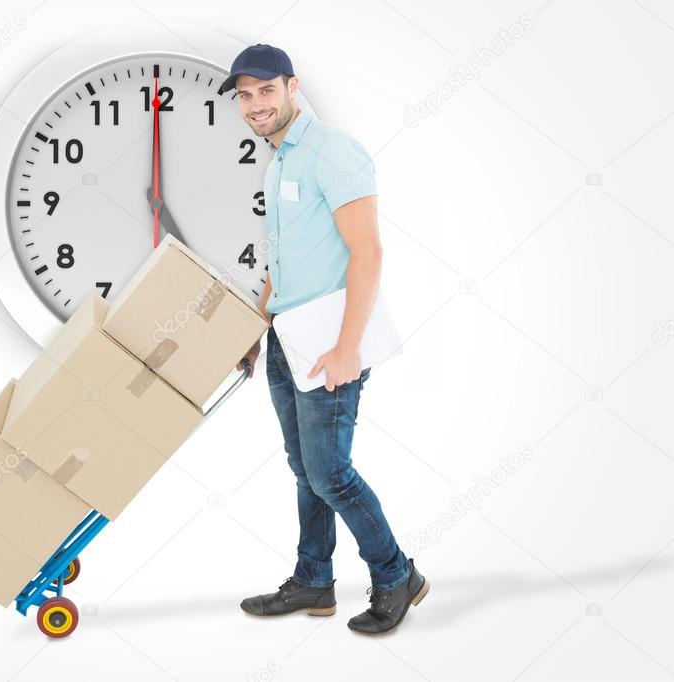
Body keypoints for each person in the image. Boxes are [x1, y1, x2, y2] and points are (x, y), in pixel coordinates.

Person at [224, 44, 429, 635]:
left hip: (329, 343)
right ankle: (314, 579)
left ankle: (396, 575)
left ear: (291, 86)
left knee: (331, 473)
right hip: (287, 340)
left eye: (266, 90)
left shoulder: (331, 151)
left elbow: (368, 251)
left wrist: (348, 350)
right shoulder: (278, 161)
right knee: (304, 468)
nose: (256, 104)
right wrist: (253, 327)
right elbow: (281, 258)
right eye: (245, 95)